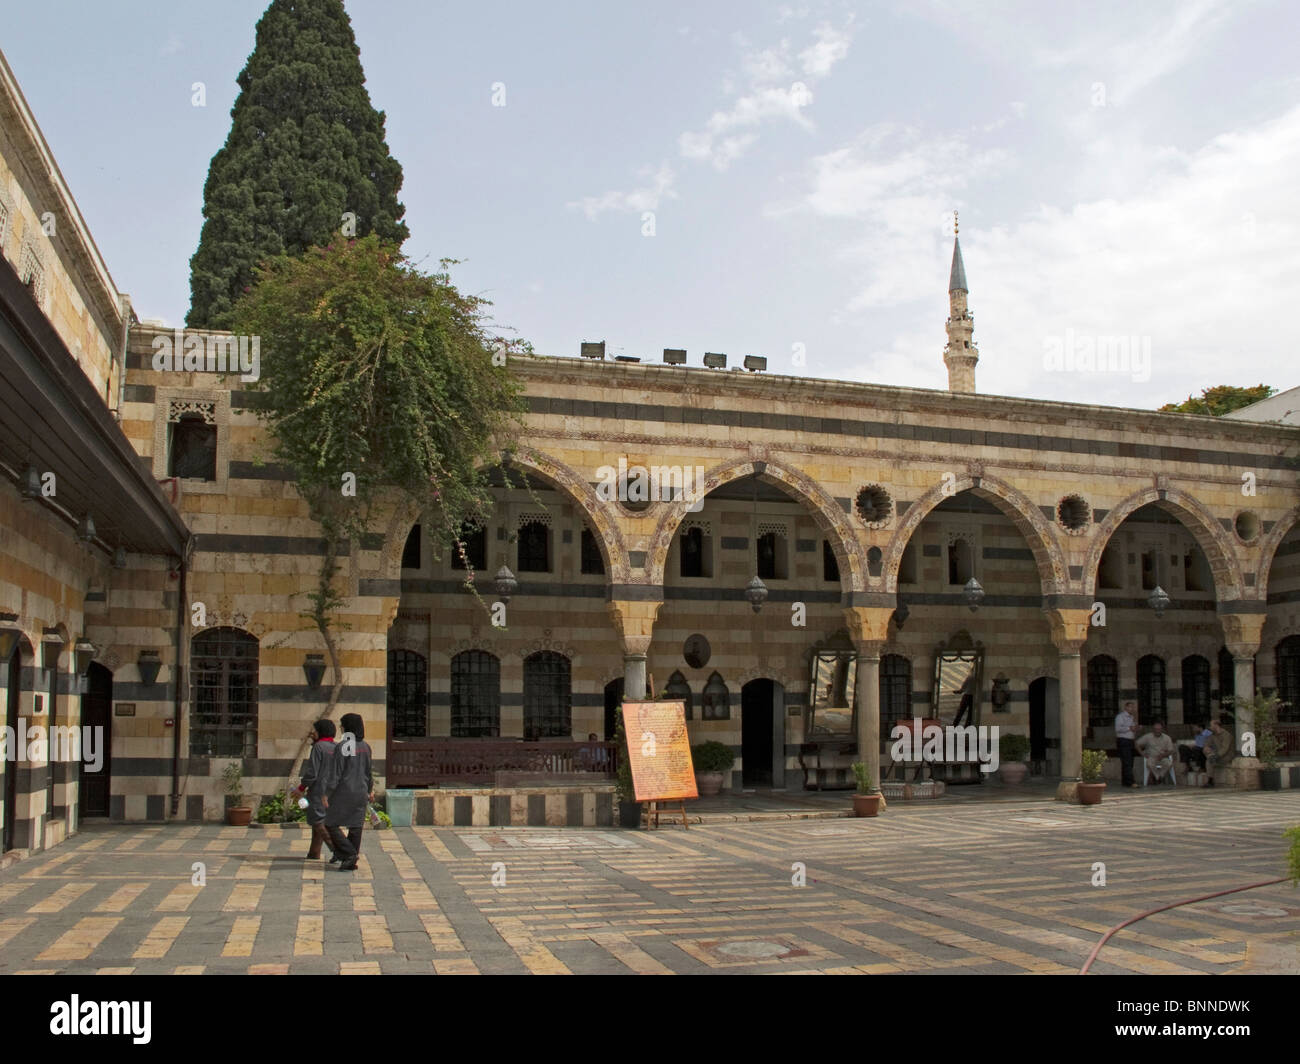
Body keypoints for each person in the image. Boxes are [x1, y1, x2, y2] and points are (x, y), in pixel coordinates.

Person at [322, 712, 373, 872]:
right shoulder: (366, 747)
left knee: (330, 822)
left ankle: (349, 854)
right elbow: (369, 772)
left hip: (344, 792)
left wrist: (326, 793)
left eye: (342, 725)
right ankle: (349, 860)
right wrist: (370, 790)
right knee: (356, 826)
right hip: (361, 791)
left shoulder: (343, 746)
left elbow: (336, 774)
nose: (341, 728)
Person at [295, 718, 337, 861]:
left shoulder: (319, 747)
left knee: (317, 820)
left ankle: (338, 850)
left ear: (320, 731)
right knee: (320, 820)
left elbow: (312, 773)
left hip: (318, 790)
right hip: (333, 791)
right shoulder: (337, 747)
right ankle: (314, 852)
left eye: (315, 731)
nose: (312, 734)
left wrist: (301, 787)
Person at [1135, 720, 1175, 785]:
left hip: (1163, 757)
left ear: (1162, 729)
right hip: (1151, 757)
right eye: (1155, 729)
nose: (1157, 731)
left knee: (1169, 764)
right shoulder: (1148, 736)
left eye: (1159, 729)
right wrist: (1142, 753)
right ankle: (1158, 777)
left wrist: (1163, 755)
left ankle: (1159, 777)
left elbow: (1171, 750)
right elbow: (1136, 743)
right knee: (1149, 763)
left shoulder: (1167, 738)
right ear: (1153, 729)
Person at [1204, 717, 1236, 787]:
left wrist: (1216, 755)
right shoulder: (1212, 735)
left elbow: (1225, 749)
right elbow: (1207, 744)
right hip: (1217, 755)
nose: (1210, 727)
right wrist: (1206, 749)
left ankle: (1210, 781)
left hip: (1227, 756)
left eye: (1211, 725)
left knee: (1210, 759)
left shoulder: (1226, 735)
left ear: (1216, 725)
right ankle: (1210, 781)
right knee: (1209, 759)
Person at [1115, 702, 1138, 787]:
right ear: (1126, 707)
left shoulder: (1132, 717)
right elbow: (1118, 729)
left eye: (1133, 707)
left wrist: (1136, 728)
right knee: (1127, 761)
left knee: (1130, 761)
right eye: (1130, 707)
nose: (1132, 709)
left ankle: (1125, 781)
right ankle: (1131, 781)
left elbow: (1133, 729)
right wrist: (1129, 728)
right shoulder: (1120, 717)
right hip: (1123, 741)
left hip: (1130, 741)